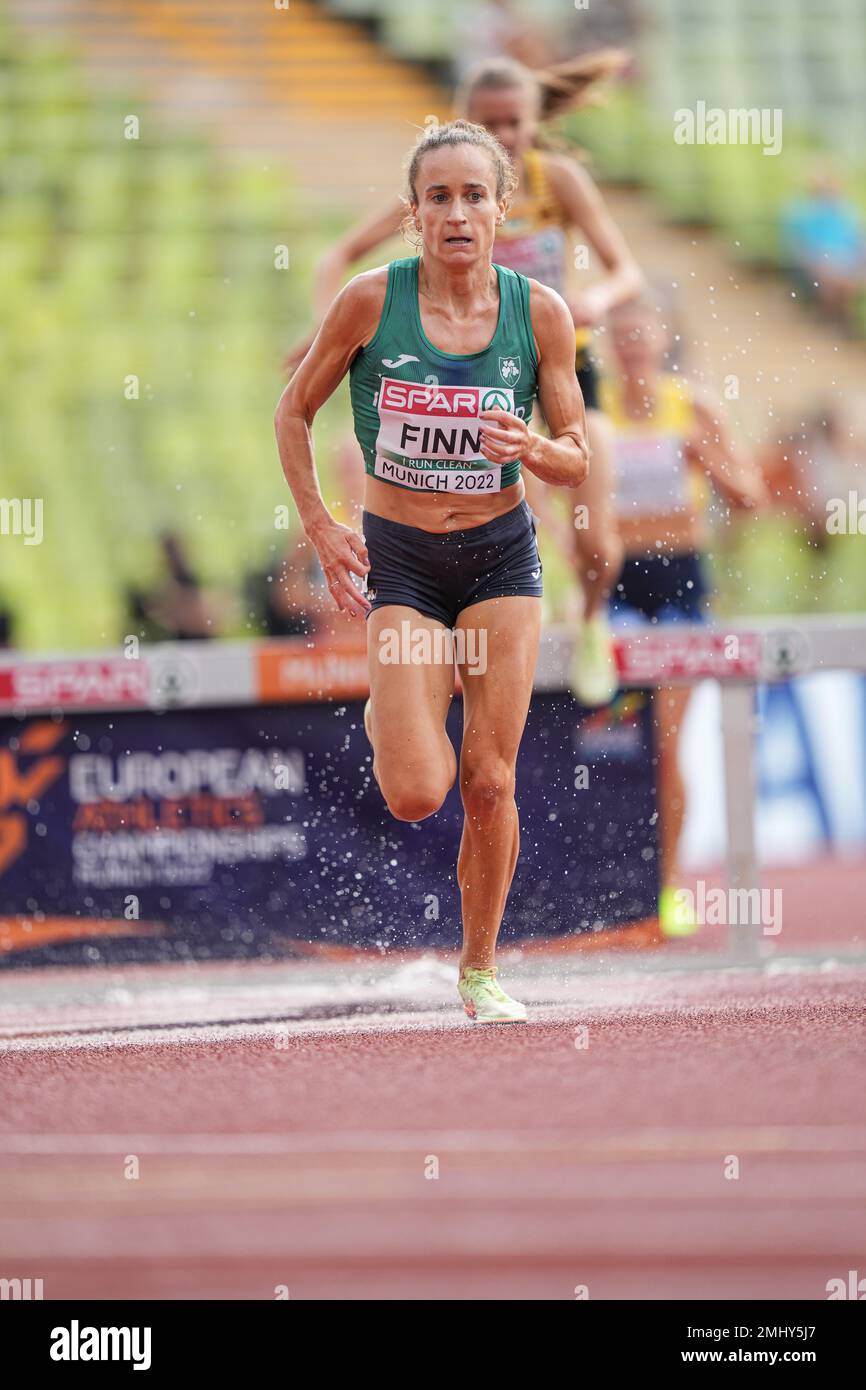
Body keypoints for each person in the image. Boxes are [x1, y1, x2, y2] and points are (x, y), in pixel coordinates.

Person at [274, 119, 588, 1022]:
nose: (457, 212)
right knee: (417, 793)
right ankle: (395, 696)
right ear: (415, 216)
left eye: (474, 195)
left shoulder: (542, 315)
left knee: (491, 775)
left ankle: (481, 969)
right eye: (438, 197)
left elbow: (576, 456)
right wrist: (322, 524)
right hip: (404, 562)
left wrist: (531, 444)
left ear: (501, 210)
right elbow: (293, 413)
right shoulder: (373, 303)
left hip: (499, 557)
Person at [284, 51, 642, 707]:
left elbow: (627, 271)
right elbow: (340, 255)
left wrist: (598, 300)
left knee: (596, 534)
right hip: (472, 371)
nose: (503, 136)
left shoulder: (557, 181)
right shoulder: (449, 189)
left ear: (533, 124)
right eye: (489, 122)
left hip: (561, 361)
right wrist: (326, 329)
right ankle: (432, 643)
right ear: (466, 121)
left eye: (514, 123)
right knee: (479, 489)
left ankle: (590, 617)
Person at [602, 287, 768, 936]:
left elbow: (752, 497)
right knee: (614, 749)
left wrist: (711, 462)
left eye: (643, 335)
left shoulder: (692, 406)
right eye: (621, 338)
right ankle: (612, 887)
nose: (633, 347)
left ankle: (665, 888)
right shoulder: (595, 411)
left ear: (665, 340)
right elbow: (557, 498)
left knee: (665, 751)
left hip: (679, 591)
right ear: (609, 350)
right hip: (614, 593)